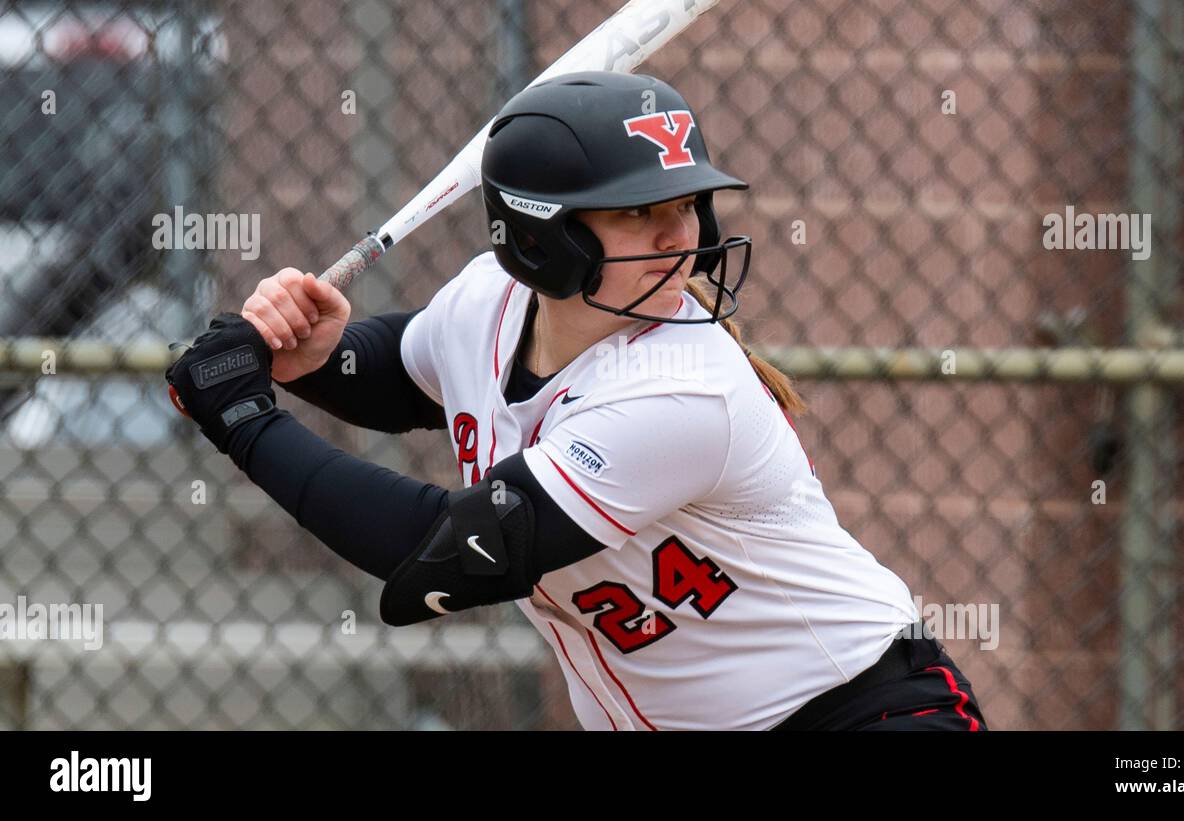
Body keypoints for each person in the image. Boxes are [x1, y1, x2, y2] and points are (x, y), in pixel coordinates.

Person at [165, 71, 987, 731]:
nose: (681, 236)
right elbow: (400, 370)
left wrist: (243, 419)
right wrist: (317, 357)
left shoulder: (680, 389)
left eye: (685, 205)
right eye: (639, 212)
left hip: (857, 708)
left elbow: (438, 549)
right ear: (537, 240)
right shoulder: (489, 301)